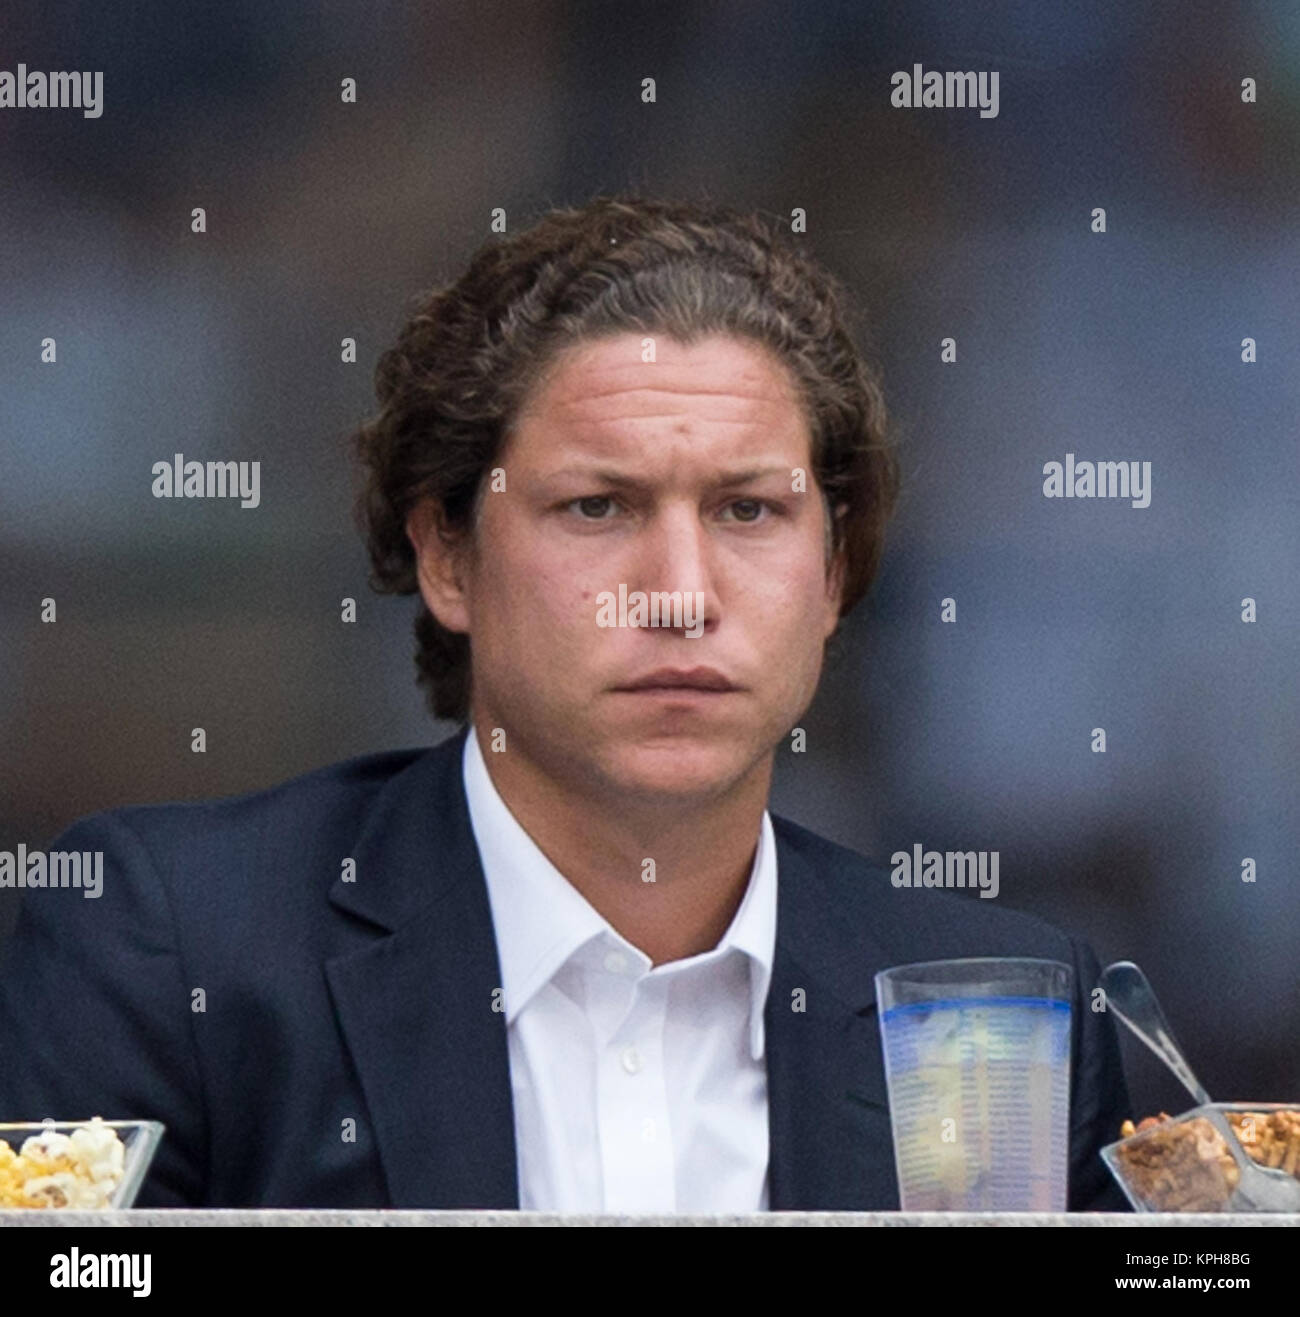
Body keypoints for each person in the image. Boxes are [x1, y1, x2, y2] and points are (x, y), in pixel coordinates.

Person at [0, 193, 1131, 1211]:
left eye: (748, 512)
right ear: (448, 558)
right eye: (597, 507)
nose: (683, 596)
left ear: (833, 574)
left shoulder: (1003, 1014)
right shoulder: (176, 949)